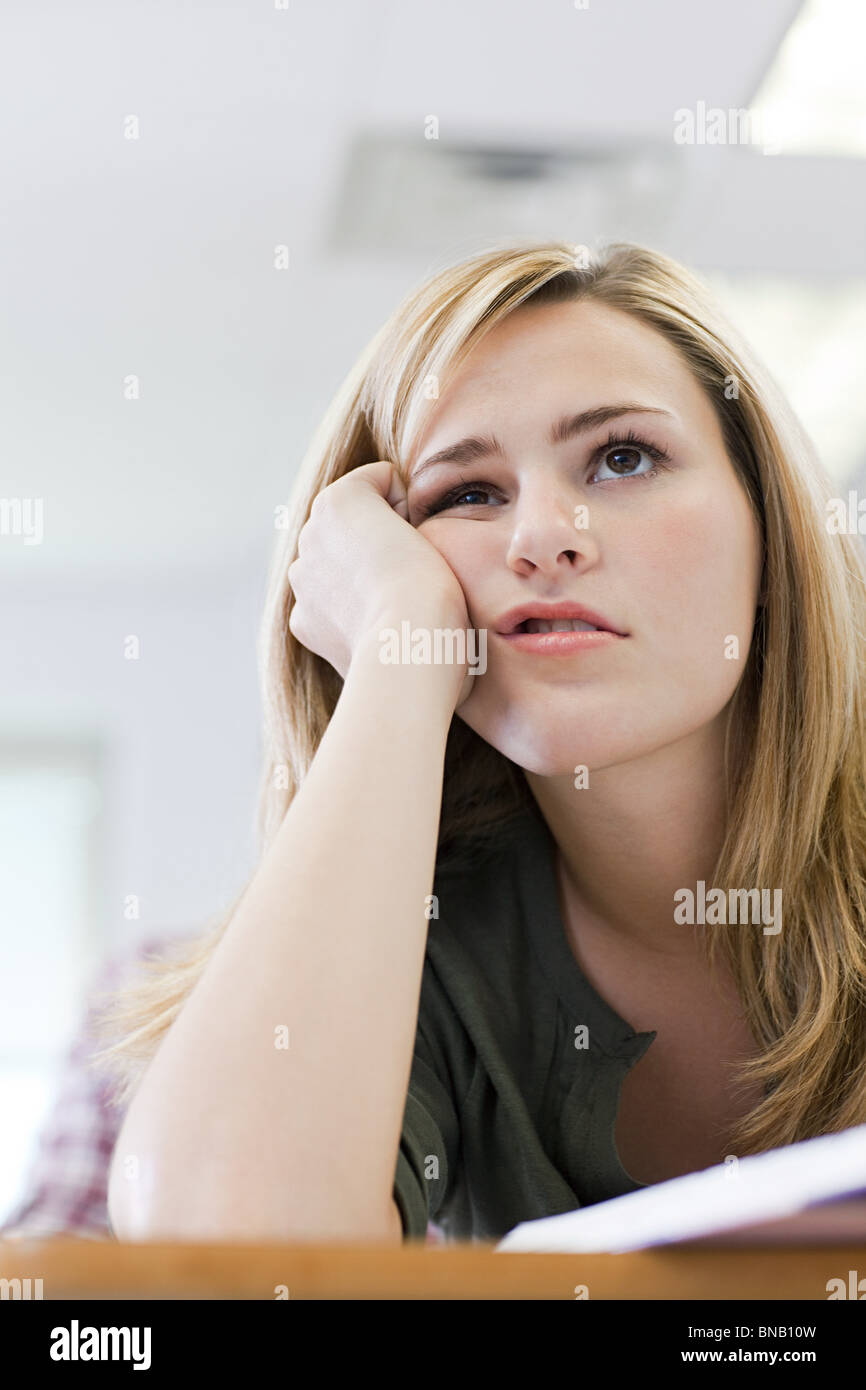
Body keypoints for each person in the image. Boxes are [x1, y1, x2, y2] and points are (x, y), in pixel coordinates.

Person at [90, 239, 866, 1245]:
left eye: (621, 457)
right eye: (466, 493)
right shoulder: (426, 938)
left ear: (770, 535)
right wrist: (401, 653)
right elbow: (226, 1258)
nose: (541, 536)